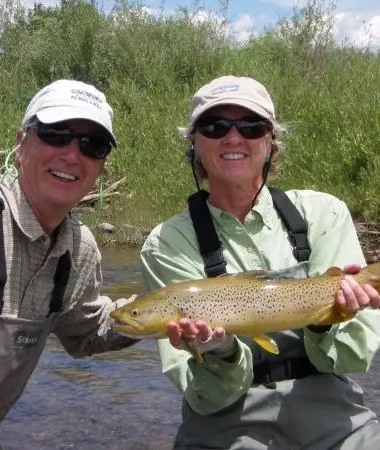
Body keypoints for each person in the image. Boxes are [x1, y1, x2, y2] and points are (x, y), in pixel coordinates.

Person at [140, 75, 380, 449]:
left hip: (336, 422)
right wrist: (218, 351)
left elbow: (352, 360)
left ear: (271, 142)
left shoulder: (323, 215)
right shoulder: (167, 244)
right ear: (194, 143)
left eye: (251, 126)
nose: (233, 138)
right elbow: (203, 396)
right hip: (226, 427)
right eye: (215, 126)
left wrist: (324, 322)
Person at [0, 79, 137, 449]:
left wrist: (168, 316)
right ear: (21, 140)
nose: (73, 155)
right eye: (56, 134)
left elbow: (87, 331)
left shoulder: (80, 248)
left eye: (93, 144)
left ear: (102, 165)